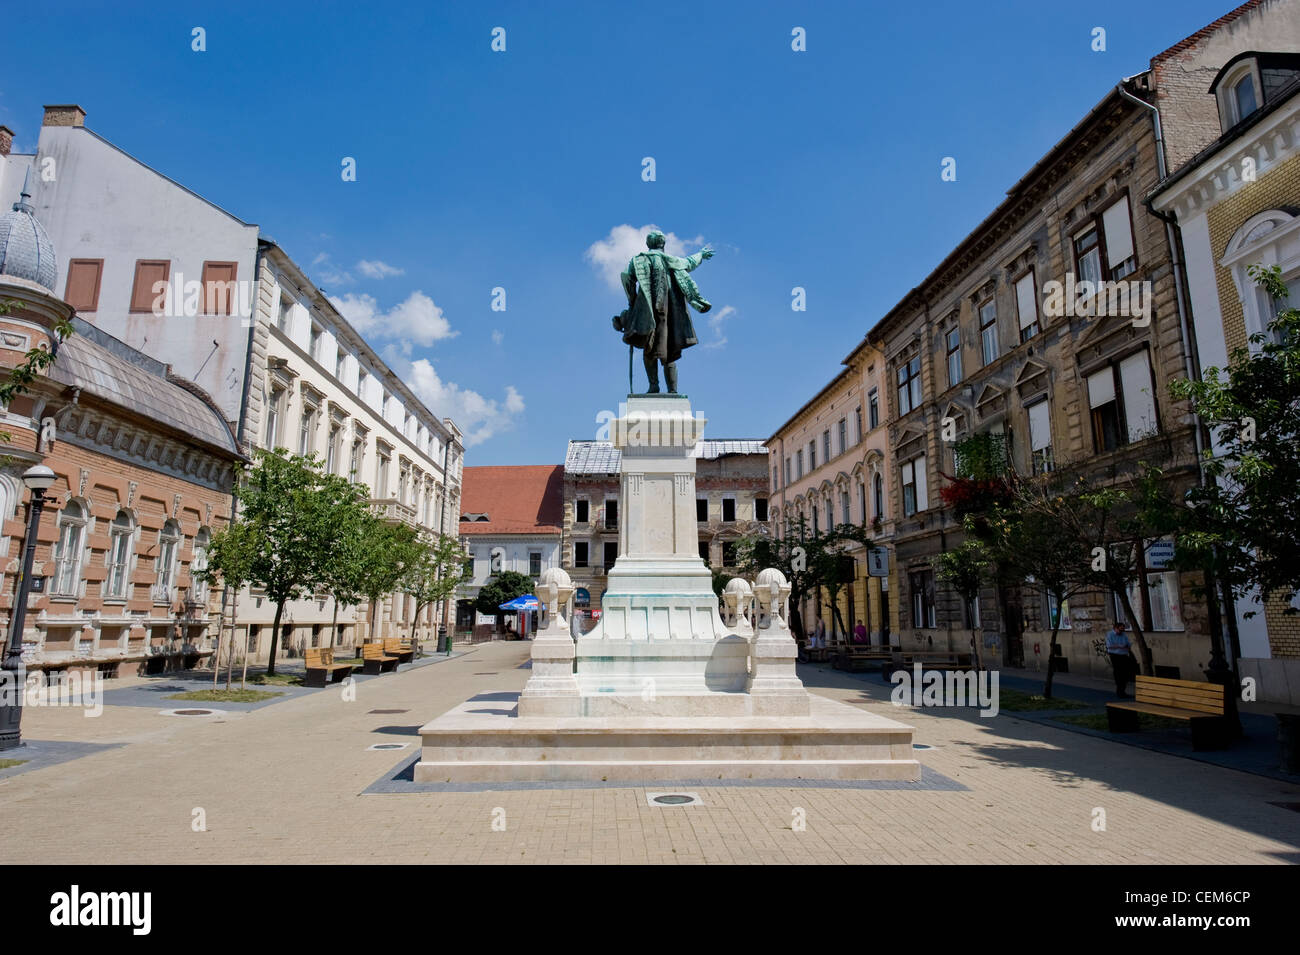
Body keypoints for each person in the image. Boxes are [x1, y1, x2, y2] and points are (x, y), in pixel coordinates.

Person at [1105, 620, 1135, 697]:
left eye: (1123, 629)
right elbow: (1109, 646)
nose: (1122, 631)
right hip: (1115, 655)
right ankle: (1120, 690)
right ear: (1115, 628)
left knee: (1127, 672)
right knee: (1119, 672)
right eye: (1120, 629)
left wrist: (1128, 646)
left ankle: (1122, 689)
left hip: (1124, 655)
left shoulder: (1123, 634)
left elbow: (1127, 643)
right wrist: (1119, 646)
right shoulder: (1110, 635)